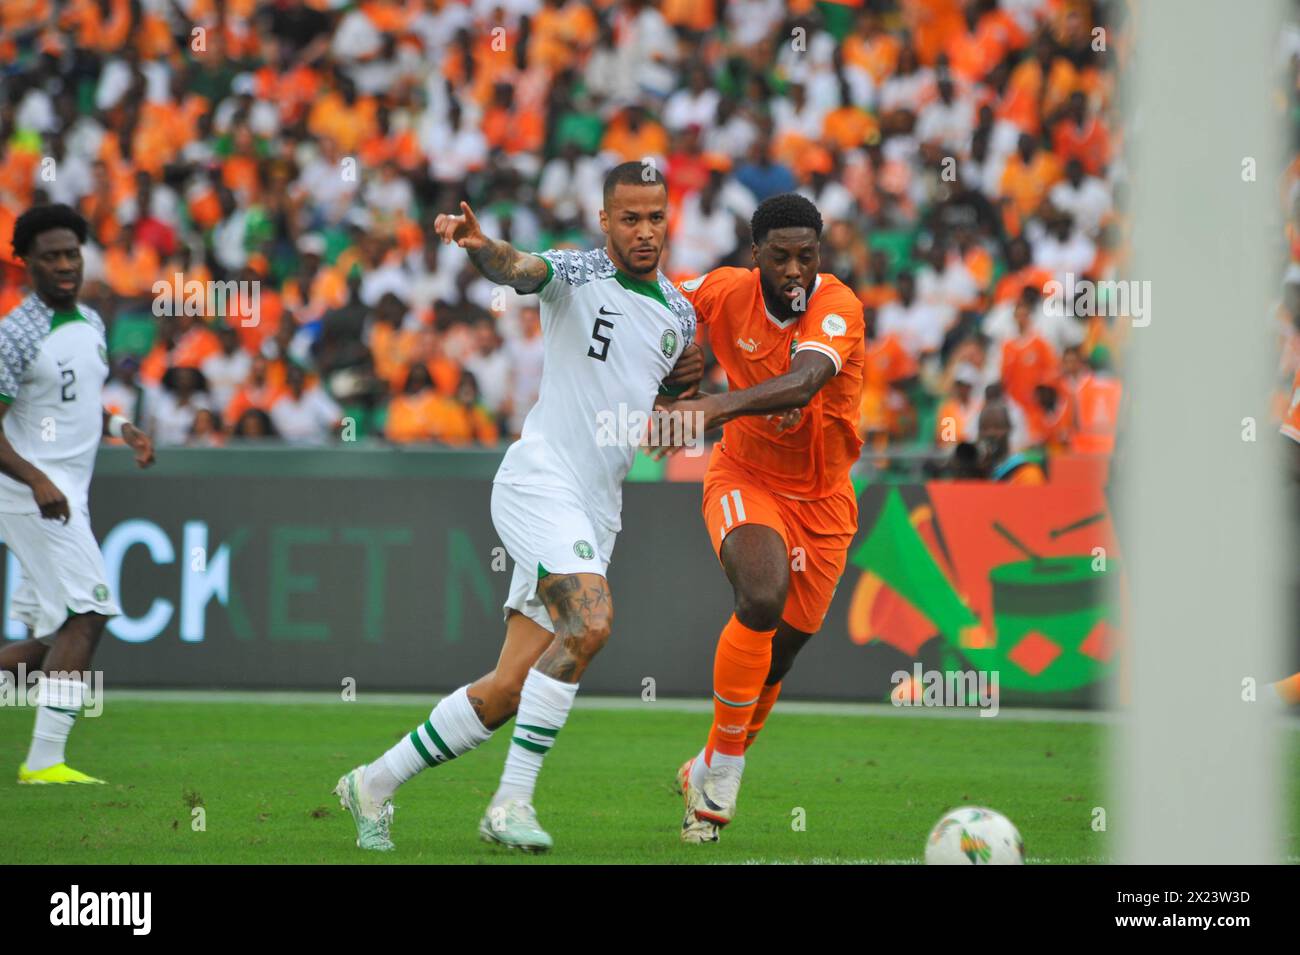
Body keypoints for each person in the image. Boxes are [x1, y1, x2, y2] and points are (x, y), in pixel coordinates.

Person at [335, 162, 702, 853]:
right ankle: (510, 802)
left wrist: (684, 396)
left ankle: (373, 783)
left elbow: (651, 406)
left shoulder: (679, 315)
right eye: (630, 217)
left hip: (597, 509)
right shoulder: (575, 274)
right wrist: (482, 249)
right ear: (604, 220)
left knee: (506, 688)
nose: (645, 230)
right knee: (591, 622)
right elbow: (521, 268)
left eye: (656, 216)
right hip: (540, 481)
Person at [661, 193, 867, 843]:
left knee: (779, 658)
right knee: (761, 594)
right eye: (781, 257)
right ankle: (723, 775)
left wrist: (710, 406)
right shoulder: (724, 292)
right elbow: (655, 302)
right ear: (756, 257)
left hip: (826, 500)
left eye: (807, 255)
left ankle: (707, 761)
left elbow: (805, 381)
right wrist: (674, 361)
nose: (796, 270)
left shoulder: (839, 306)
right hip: (745, 477)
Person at [0, 204, 155, 784]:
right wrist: (36, 479)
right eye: (51, 257)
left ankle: (44, 759)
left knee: (53, 636)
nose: (65, 265)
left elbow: (80, 402)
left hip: (67, 493)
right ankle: (43, 763)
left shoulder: (89, 321)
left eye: (71, 254)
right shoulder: (15, 334)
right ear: (26, 263)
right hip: (30, 493)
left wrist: (122, 428)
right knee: (90, 612)